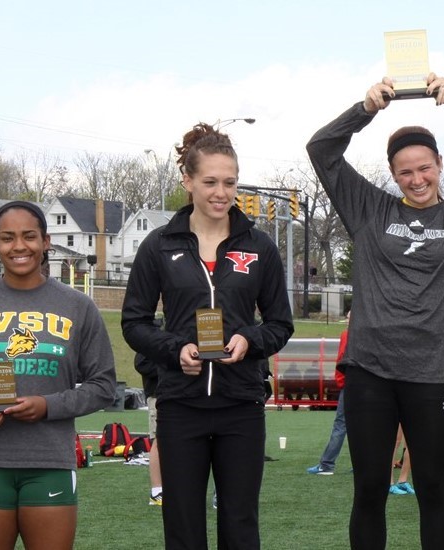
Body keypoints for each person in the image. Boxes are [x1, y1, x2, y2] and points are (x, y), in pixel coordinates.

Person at [306, 73, 444, 550]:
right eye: (405, 172)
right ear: (392, 175)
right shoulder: (369, 210)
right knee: (369, 490)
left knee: (430, 489)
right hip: (370, 372)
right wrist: (366, 109)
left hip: (430, 376)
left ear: (440, 164)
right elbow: (321, 149)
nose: (417, 179)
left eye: (425, 167)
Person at [121, 122, 294, 550]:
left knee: (240, 523)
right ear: (188, 181)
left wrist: (250, 341)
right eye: (210, 181)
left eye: (230, 182)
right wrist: (175, 349)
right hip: (181, 405)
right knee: (183, 526)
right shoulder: (159, 246)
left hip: (242, 406)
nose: (221, 192)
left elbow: (280, 324)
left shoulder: (259, 247)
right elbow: (134, 323)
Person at [0, 200, 117, 550]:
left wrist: (47, 406)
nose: (19, 246)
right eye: (7, 238)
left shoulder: (79, 307)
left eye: (29, 236)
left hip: (50, 461)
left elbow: (103, 385)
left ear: (46, 241)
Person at [307, 310, 351, 475]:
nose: (346, 320)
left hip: (349, 385)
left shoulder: (347, 335)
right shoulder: (368, 335)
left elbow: (342, 359)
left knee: (340, 425)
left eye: (348, 318)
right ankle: (362, 464)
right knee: (360, 426)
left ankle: (327, 464)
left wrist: (340, 382)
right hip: (365, 386)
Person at [134, 316, 164, 505]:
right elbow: (141, 364)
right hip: (158, 394)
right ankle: (157, 491)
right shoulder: (152, 331)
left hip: (174, 393)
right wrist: (169, 366)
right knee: (159, 441)